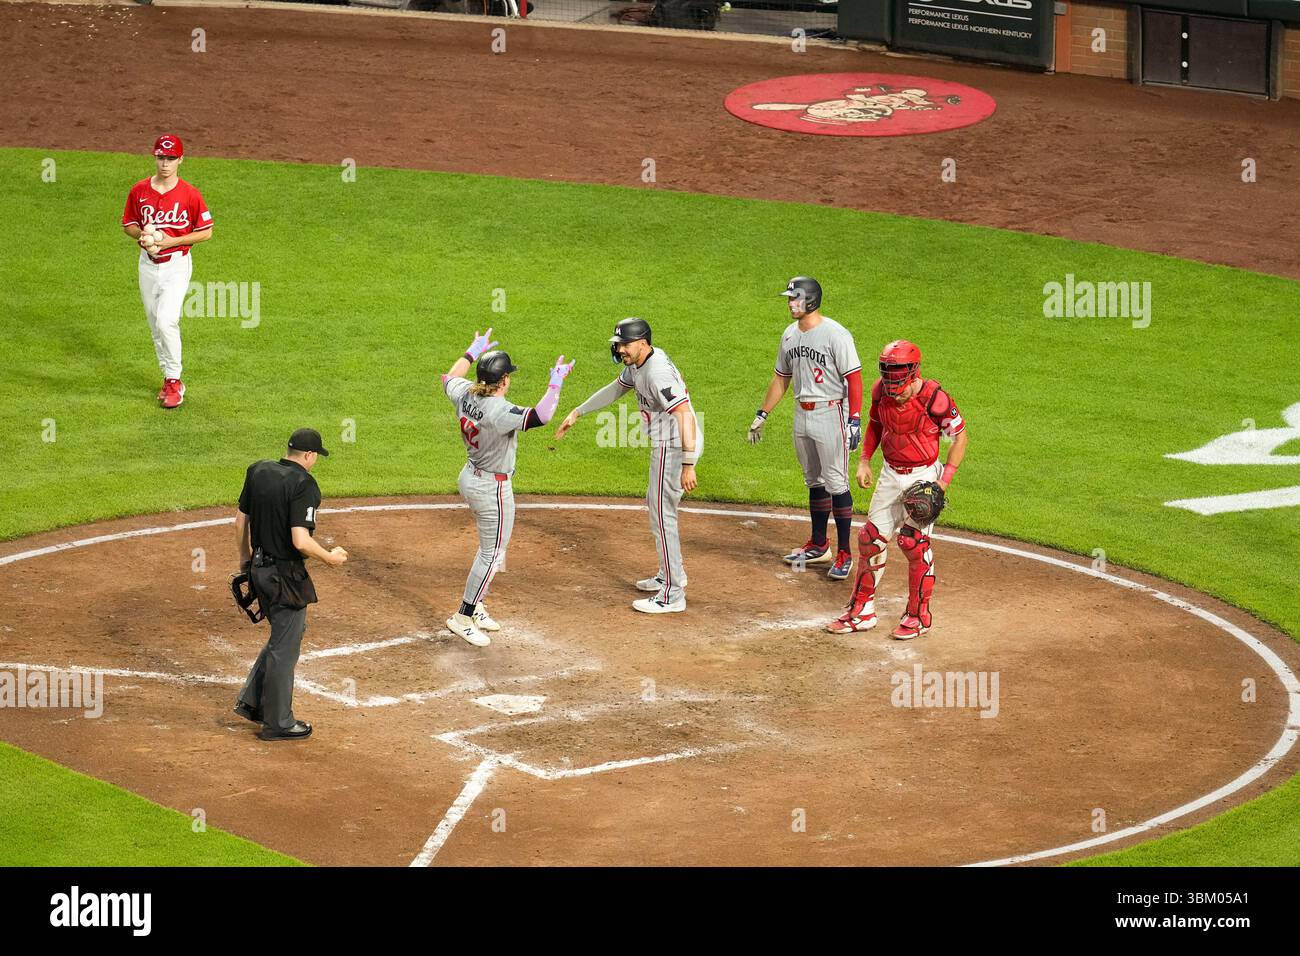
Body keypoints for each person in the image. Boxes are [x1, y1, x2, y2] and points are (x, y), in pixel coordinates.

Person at [555, 318, 702, 614]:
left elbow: (685, 414)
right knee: (658, 509)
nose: (620, 348)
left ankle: (673, 594)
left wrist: (688, 464)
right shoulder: (640, 364)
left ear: (643, 343)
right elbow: (616, 388)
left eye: (625, 344)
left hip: (675, 446)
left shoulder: (657, 372)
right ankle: (670, 575)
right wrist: (578, 411)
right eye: (618, 344)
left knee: (663, 516)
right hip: (668, 445)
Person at [827, 340, 968, 639]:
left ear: (913, 373)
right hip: (891, 473)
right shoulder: (882, 390)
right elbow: (876, 425)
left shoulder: (935, 399)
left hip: (924, 475)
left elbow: (960, 439)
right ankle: (862, 611)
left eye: (898, 377)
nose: (893, 385)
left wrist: (942, 483)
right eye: (888, 373)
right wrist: (864, 460)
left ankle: (919, 615)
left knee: (912, 542)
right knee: (870, 539)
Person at [443, 328, 575, 647]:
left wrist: (470, 351)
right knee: (493, 552)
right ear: (504, 381)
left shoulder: (466, 393)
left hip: (470, 476)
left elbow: (448, 377)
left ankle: (477, 606)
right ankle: (464, 615)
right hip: (492, 489)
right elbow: (541, 416)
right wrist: (556, 381)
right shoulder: (499, 412)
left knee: (489, 549)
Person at [233, 428, 348, 740]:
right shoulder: (304, 484)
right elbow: (300, 540)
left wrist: (245, 559)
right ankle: (278, 723)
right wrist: (329, 557)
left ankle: (253, 703)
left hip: (258, 566)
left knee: (283, 636)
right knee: (286, 647)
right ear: (309, 456)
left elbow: (241, 520)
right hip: (283, 576)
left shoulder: (258, 470)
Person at [748, 277, 863, 581]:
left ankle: (844, 553)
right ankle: (818, 544)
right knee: (814, 480)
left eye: (793, 298)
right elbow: (780, 378)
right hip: (802, 414)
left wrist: (854, 418)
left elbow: (854, 377)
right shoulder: (789, 335)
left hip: (831, 412)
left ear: (810, 300)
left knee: (836, 482)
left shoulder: (835, 334)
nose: (789, 303)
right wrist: (763, 413)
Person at [120, 134, 213, 409]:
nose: (165, 163)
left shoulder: (190, 194)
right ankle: (167, 377)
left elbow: (206, 232)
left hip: (176, 266)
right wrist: (142, 239)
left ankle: (175, 379)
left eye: (171, 158)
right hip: (147, 266)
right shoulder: (139, 191)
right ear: (154, 157)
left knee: (166, 321)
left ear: (181, 160)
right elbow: (128, 224)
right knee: (154, 325)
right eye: (161, 157)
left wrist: (171, 241)